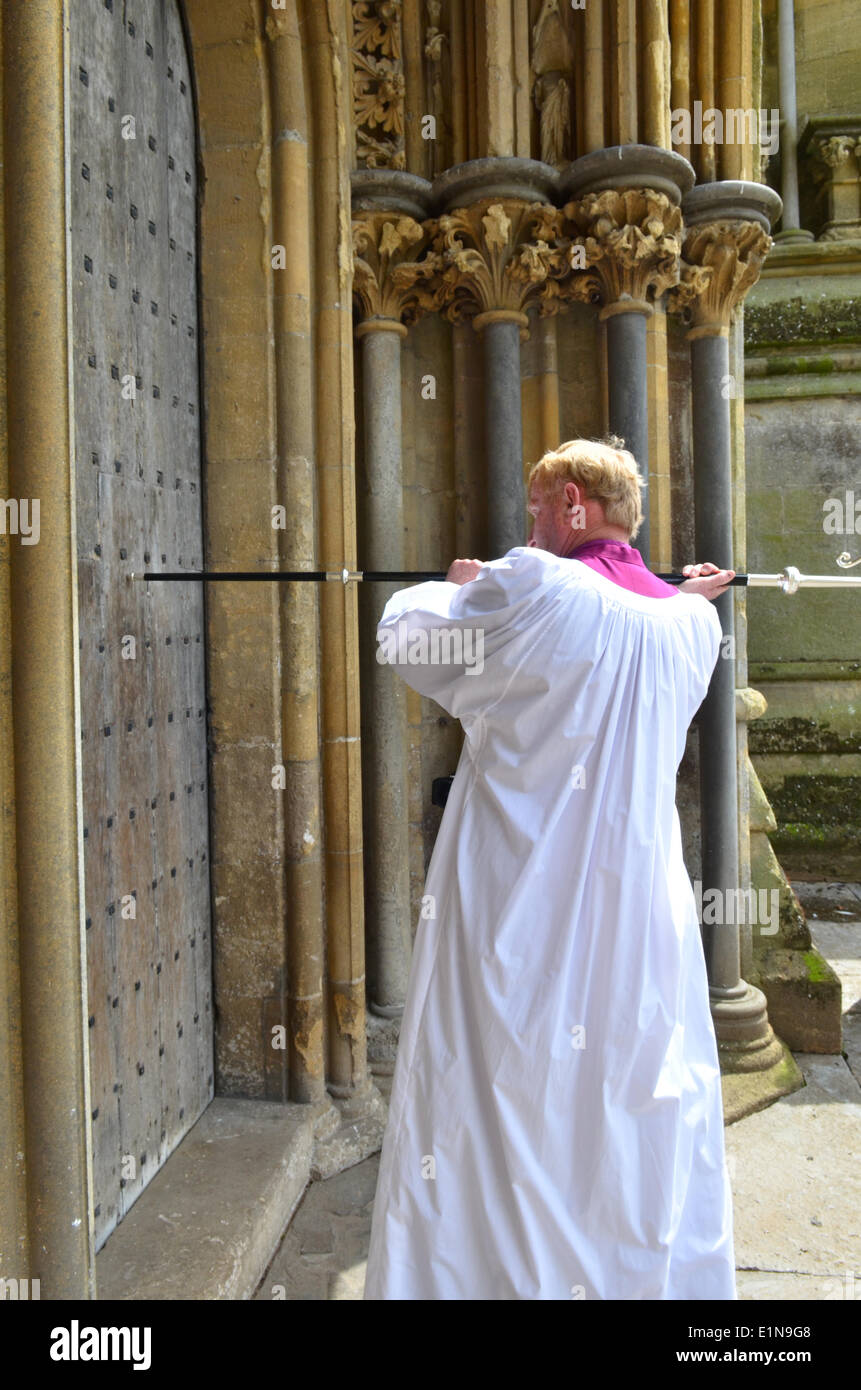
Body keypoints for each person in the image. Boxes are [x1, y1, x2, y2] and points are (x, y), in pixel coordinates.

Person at [363, 437, 737, 1301]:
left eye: (535, 509)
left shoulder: (534, 584)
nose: (526, 526)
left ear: (572, 502)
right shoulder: (691, 624)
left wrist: (452, 585)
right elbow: (625, 631)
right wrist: (675, 593)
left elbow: (407, 643)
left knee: (498, 1082)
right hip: (637, 904)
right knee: (627, 1086)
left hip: (516, 893)